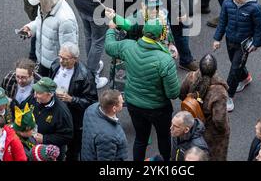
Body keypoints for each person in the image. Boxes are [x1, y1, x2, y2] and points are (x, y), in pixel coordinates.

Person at [105, 20, 180, 161]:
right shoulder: (165, 60)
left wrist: (111, 30)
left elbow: (109, 47)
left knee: (140, 139)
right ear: (160, 36)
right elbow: (173, 93)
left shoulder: (128, 47)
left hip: (134, 104)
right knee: (164, 137)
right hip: (158, 108)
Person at [212, 0, 261, 111]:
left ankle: (229, 95)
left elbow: (259, 28)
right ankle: (245, 78)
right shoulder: (227, 3)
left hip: (244, 44)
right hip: (230, 40)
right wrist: (217, 39)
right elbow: (222, 22)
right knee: (235, 64)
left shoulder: (254, 8)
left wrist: (256, 43)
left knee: (235, 68)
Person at [49, 42, 98, 161]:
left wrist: (71, 99)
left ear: (75, 59)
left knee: (73, 149)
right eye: (60, 56)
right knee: (54, 143)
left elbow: (92, 102)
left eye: (65, 58)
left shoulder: (85, 75)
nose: (61, 61)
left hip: (73, 119)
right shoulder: (55, 64)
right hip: (55, 111)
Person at [21, 0, 78, 77]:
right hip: (44, 61)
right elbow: (40, 21)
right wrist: (30, 28)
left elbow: (68, 51)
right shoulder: (46, 5)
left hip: (54, 67)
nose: (37, 5)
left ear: (45, 0)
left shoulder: (65, 20)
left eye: (38, 1)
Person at [180, 53, 230, 160]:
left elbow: (181, 95)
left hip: (192, 123)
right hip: (210, 133)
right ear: (215, 70)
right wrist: (225, 131)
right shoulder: (219, 91)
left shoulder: (191, 77)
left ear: (200, 68)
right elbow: (219, 120)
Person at [106, 0, 177, 56]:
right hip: (140, 54)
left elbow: (167, 31)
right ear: (143, 5)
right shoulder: (136, 18)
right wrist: (114, 17)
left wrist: (171, 44)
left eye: (157, 6)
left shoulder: (162, 14)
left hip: (157, 50)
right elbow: (127, 25)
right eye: (151, 7)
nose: (155, 10)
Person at [31, 77, 74, 161]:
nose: (35, 95)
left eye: (39, 92)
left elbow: (67, 136)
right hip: (33, 145)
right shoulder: (34, 99)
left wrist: (45, 139)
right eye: (35, 91)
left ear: (50, 94)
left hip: (50, 152)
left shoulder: (62, 112)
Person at [81, 89, 128, 161]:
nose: (123, 102)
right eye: (121, 102)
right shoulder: (108, 136)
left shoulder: (91, 109)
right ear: (114, 108)